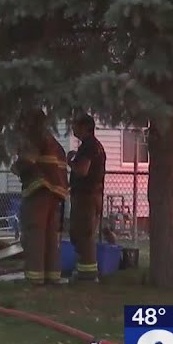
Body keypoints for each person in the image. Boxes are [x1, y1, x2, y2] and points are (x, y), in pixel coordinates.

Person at [11, 110, 70, 286]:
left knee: (34, 234)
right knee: (50, 236)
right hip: (56, 195)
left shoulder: (35, 138)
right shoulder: (56, 144)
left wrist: (17, 167)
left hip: (38, 191)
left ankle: (34, 278)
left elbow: (27, 161)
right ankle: (52, 276)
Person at [69, 113, 107, 282]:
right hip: (92, 195)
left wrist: (70, 162)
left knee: (83, 234)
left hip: (86, 197)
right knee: (82, 233)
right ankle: (84, 270)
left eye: (75, 125)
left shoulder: (89, 146)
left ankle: (87, 274)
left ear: (84, 127)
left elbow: (83, 170)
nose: (72, 128)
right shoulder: (92, 146)